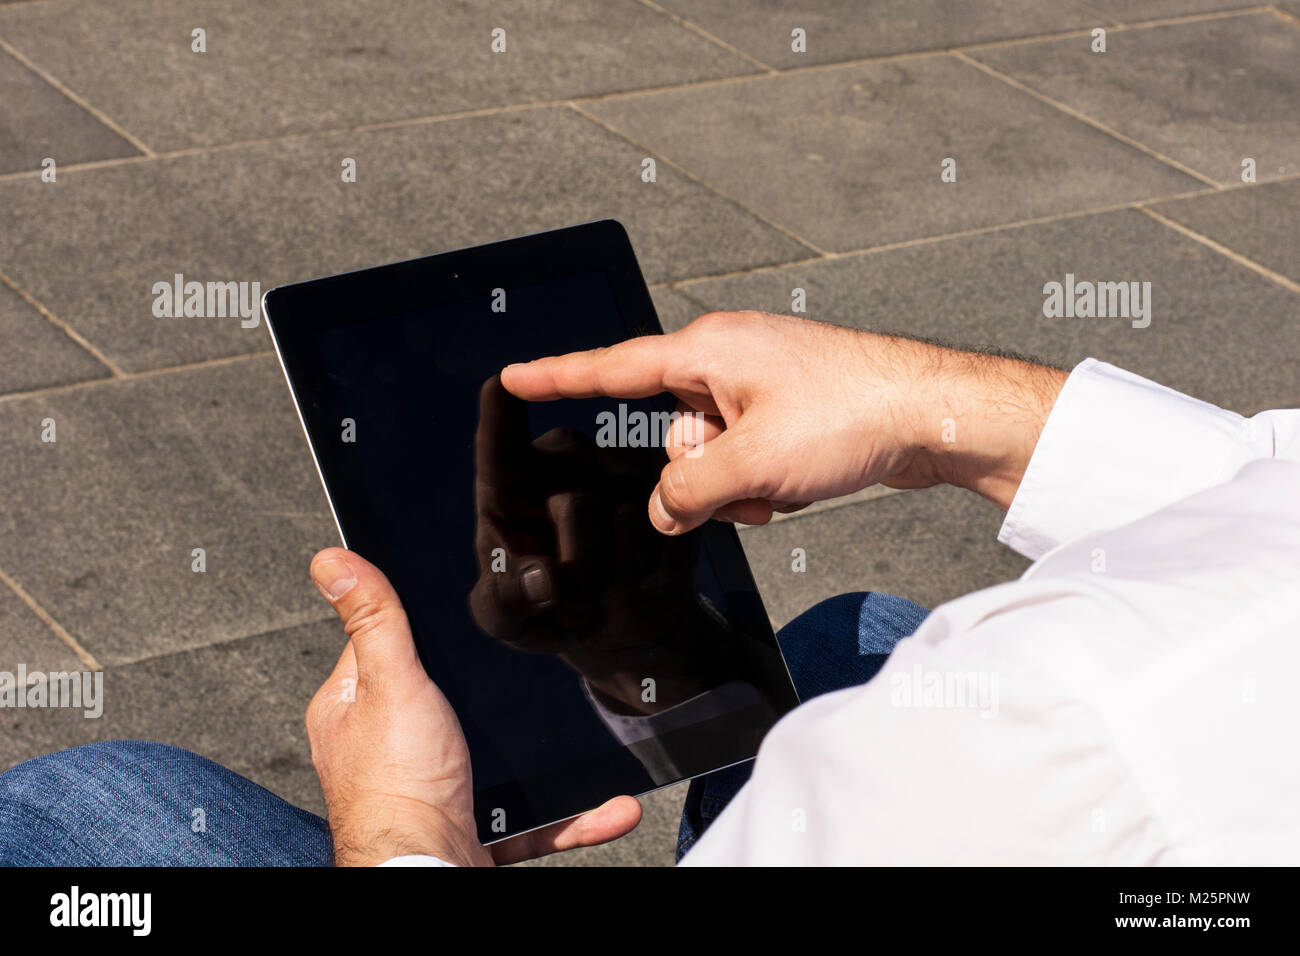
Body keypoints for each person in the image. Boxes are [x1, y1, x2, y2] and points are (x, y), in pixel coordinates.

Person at [1, 311, 1296, 865]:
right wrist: (933, 406)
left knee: (96, 805)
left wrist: (406, 830)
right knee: (849, 641)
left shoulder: (1059, 725)